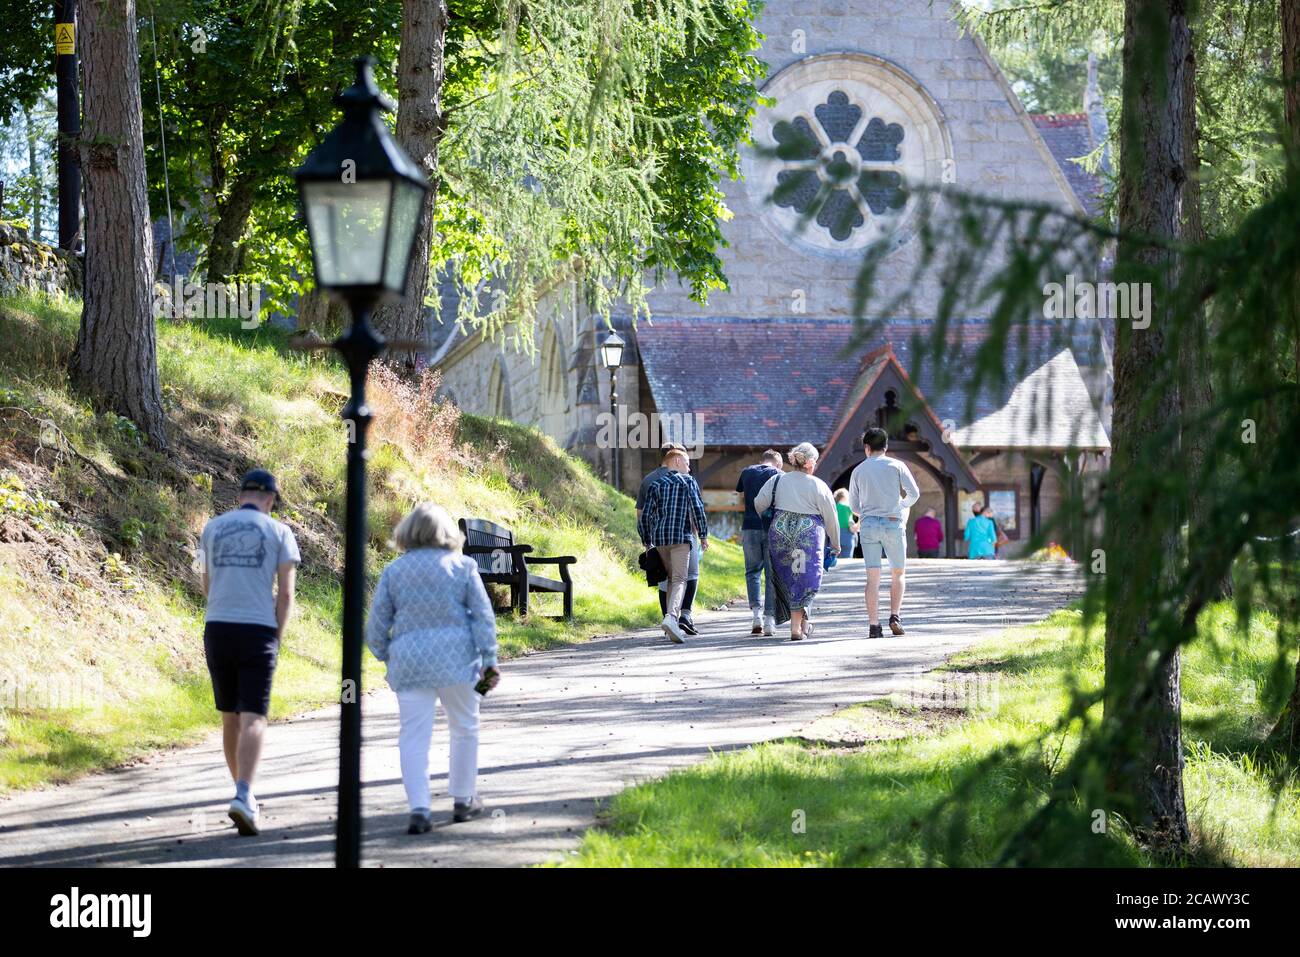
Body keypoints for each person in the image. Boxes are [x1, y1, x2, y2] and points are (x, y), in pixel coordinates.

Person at [365, 503, 500, 834]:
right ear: (447, 533)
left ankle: (419, 809)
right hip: (459, 662)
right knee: (465, 727)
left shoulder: (394, 571)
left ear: (407, 533)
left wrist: (387, 655)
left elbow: (376, 626)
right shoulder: (464, 567)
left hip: (410, 664)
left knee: (413, 735)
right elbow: (483, 617)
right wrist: (489, 660)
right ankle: (463, 800)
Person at [199, 468, 300, 836]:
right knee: (255, 715)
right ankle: (244, 795)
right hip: (258, 630)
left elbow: (204, 580)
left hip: (218, 627)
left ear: (241, 495)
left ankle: (244, 793)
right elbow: (286, 594)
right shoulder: (280, 532)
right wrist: (278, 633)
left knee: (230, 716)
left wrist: (222, 609)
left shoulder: (211, 528)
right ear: (271, 499)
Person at [753, 443, 840, 641]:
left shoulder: (777, 480)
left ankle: (801, 626)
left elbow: (759, 503)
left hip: (780, 532)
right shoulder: (818, 485)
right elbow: (831, 517)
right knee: (805, 578)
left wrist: (773, 518)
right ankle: (796, 628)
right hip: (807, 535)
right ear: (810, 463)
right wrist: (835, 544)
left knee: (789, 577)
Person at [848, 427, 920, 639]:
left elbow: (853, 505)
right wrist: (900, 505)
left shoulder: (858, 470)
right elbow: (914, 494)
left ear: (867, 448)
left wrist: (867, 513)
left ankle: (873, 625)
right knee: (898, 572)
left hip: (869, 525)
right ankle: (895, 616)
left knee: (873, 577)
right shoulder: (897, 466)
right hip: (892, 522)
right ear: (886, 446)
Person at [637, 448, 709, 644]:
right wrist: (703, 535)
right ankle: (671, 618)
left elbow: (646, 516)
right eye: (687, 464)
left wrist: (646, 539)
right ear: (677, 461)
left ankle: (671, 624)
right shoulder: (688, 482)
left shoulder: (656, 485)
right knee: (679, 580)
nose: (689, 469)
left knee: (669, 580)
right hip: (681, 537)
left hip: (660, 539)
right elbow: (697, 509)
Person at [735, 449, 783, 635]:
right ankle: (770, 619)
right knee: (772, 574)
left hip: (750, 526)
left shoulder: (747, 472)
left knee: (752, 571)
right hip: (772, 527)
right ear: (777, 463)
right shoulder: (780, 475)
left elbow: (741, 494)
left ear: (762, 460)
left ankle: (756, 615)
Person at [833, 488, 858, 567]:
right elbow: (852, 528)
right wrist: (860, 522)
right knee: (846, 563)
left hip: (834, 537)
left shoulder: (833, 507)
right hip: (847, 537)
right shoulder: (848, 507)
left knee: (834, 563)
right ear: (845, 497)